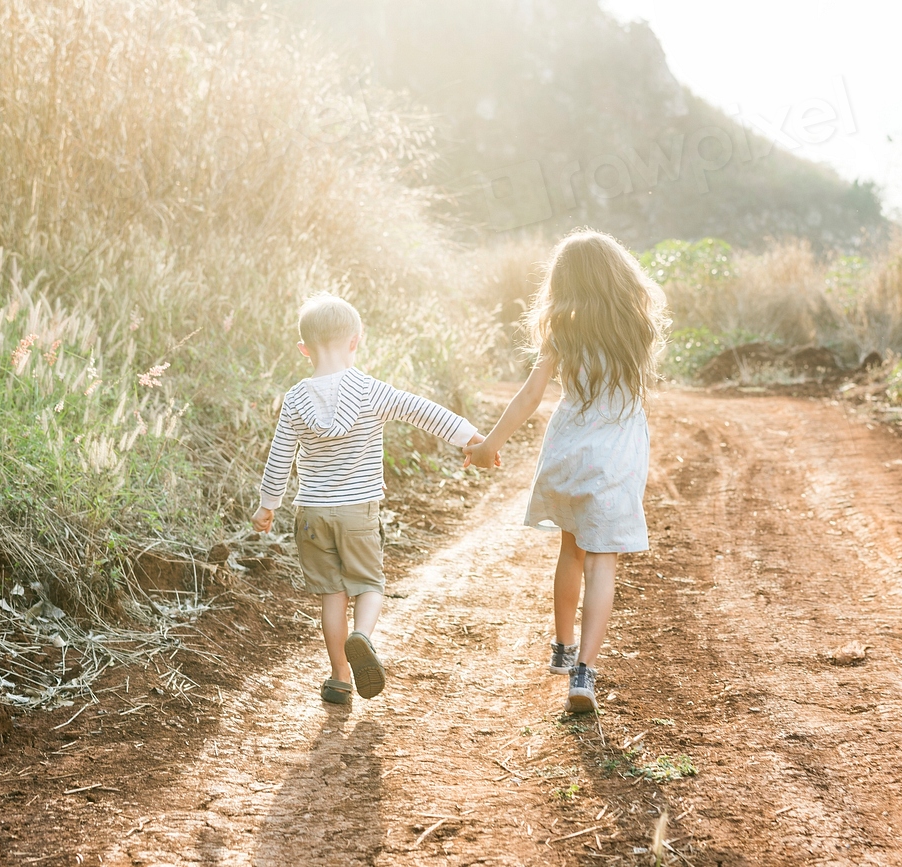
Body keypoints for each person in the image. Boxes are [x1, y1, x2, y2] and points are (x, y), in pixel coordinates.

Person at [252, 294, 492, 707]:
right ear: (355, 341)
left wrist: (267, 504)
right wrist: (473, 438)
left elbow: (280, 457)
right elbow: (423, 412)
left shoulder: (295, 399)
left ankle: (339, 678)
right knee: (368, 584)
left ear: (304, 349)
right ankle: (361, 636)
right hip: (357, 512)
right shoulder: (369, 391)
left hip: (311, 514)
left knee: (332, 595)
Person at [463, 230, 666, 713]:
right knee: (602, 562)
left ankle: (562, 647)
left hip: (568, 453)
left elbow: (530, 396)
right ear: (620, 275)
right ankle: (584, 674)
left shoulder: (562, 330)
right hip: (614, 459)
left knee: (570, 550)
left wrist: (490, 444)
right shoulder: (637, 328)